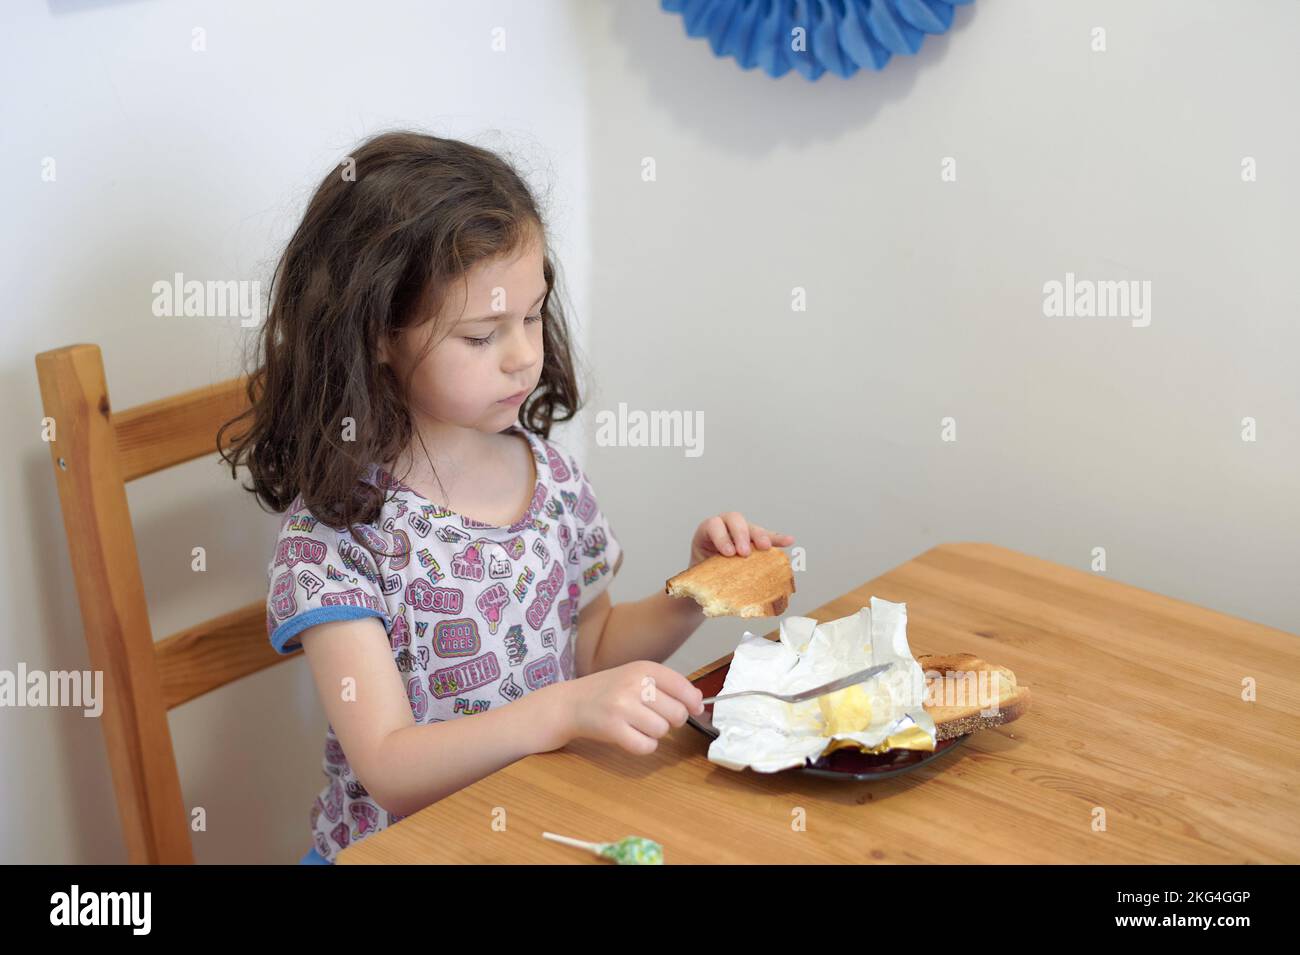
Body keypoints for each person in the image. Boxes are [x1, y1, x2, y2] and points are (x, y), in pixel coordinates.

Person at [218, 131, 795, 864]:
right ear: (378, 336)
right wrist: (560, 713)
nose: (524, 353)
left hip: (538, 827)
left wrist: (697, 592)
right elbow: (390, 767)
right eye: (482, 334)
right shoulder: (339, 534)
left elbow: (588, 648)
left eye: (531, 317)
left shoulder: (550, 478)